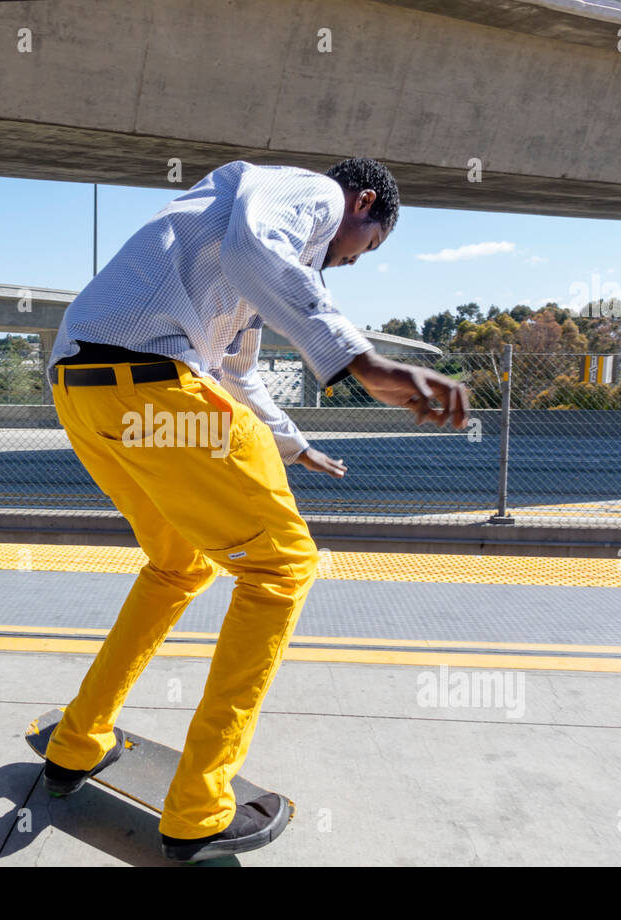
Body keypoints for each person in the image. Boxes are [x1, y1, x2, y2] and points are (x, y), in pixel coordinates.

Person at [41, 157, 470, 862]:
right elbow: (252, 252)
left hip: (88, 393)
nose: (355, 260)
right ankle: (198, 809)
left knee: (177, 566)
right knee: (283, 568)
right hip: (157, 389)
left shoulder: (241, 257)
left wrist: (294, 446)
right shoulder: (308, 195)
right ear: (363, 202)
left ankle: (77, 741)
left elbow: (235, 371)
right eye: (371, 244)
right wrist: (364, 363)